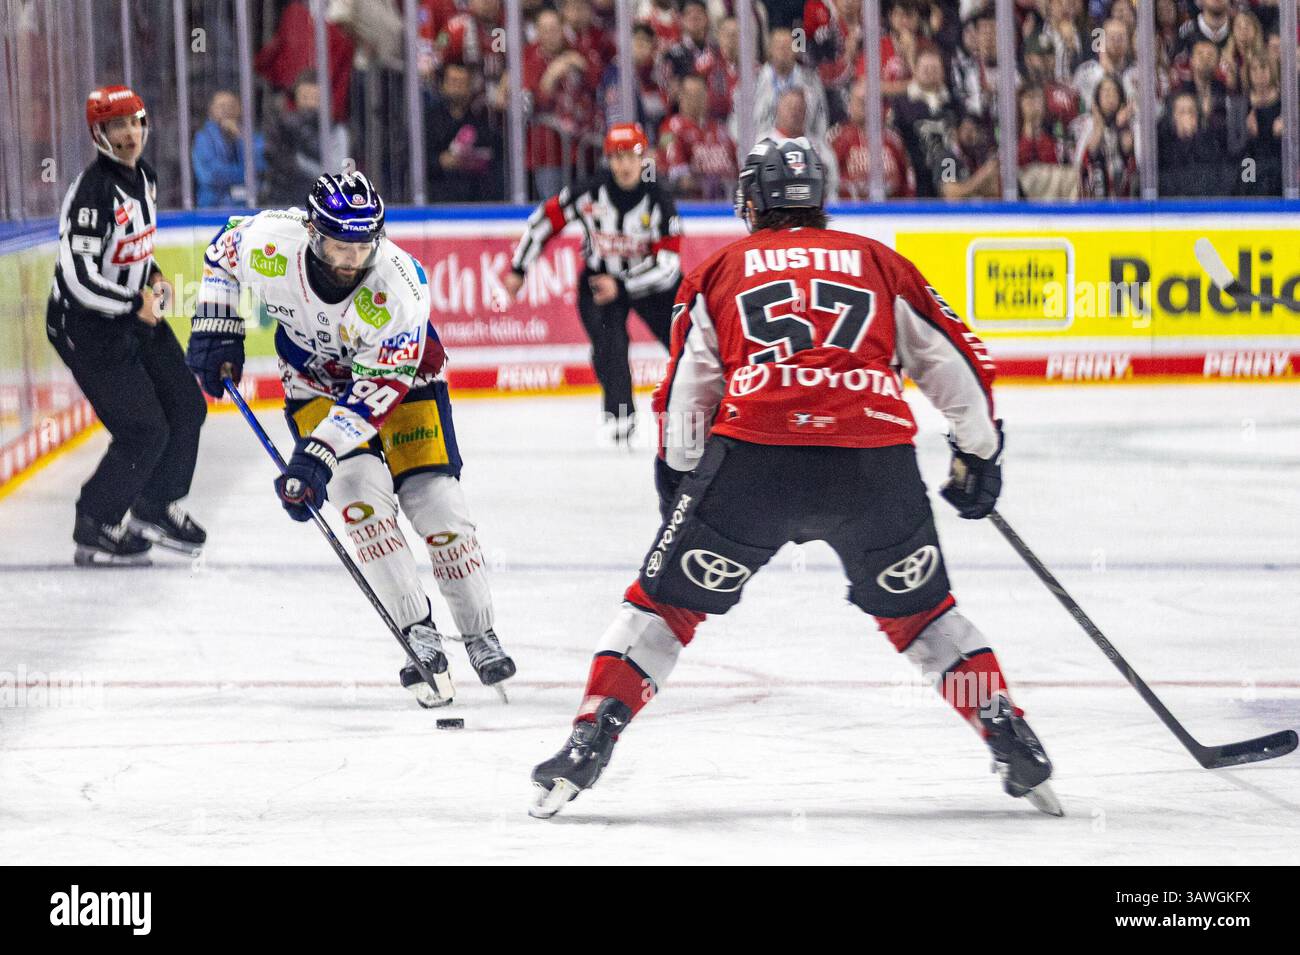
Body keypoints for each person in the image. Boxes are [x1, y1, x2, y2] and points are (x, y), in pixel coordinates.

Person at [529, 137, 1060, 820]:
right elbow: (957, 363)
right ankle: (1005, 728)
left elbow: (686, 397)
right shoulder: (879, 261)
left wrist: (682, 485)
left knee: (662, 606)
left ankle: (590, 737)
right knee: (924, 614)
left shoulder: (720, 267)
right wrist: (979, 453)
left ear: (753, 201)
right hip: (873, 465)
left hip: (755, 463)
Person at [184, 172, 516, 706]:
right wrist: (218, 320)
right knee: (358, 499)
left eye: (364, 245)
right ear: (314, 235)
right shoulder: (273, 242)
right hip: (313, 381)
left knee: (437, 507)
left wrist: (317, 452)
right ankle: (417, 629)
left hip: (405, 385)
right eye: (341, 245)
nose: (351, 259)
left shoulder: (400, 285)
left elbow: (377, 390)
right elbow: (223, 248)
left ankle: (479, 631)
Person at [46, 86, 208, 566]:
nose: (130, 133)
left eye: (135, 122)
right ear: (99, 133)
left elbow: (135, 248)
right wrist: (133, 303)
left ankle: (154, 505)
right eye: (118, 125)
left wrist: (153, 277)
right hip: (85, 326)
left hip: (131, 314)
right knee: (143, 428)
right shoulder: (92, 191)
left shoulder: (146, 179)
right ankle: (95, 521)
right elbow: (77, 278)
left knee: (186, 407)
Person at [505, 123, 682, 445]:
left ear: (645, 158)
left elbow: (669, 267)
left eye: (631, 156)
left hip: (650, 285)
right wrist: (519, 268)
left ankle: (696, 409)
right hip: (601, 282)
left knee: (684, 342)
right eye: (616, 157)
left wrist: (624, 286)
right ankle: (620, 418)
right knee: (608, 345)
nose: (624, 165)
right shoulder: (590, 191)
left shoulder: (658, 197)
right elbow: (545, 220)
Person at [192, 90, 266, 207]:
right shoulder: (203, 138)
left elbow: (261, 166)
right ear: (211, 110)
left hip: (249, 206)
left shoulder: (251, 136)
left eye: (231, 105)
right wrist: (246, 175)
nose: (226, 110)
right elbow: (210, 174)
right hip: (213, 208)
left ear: (239, 108)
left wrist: (241, 137)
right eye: (221, 106)